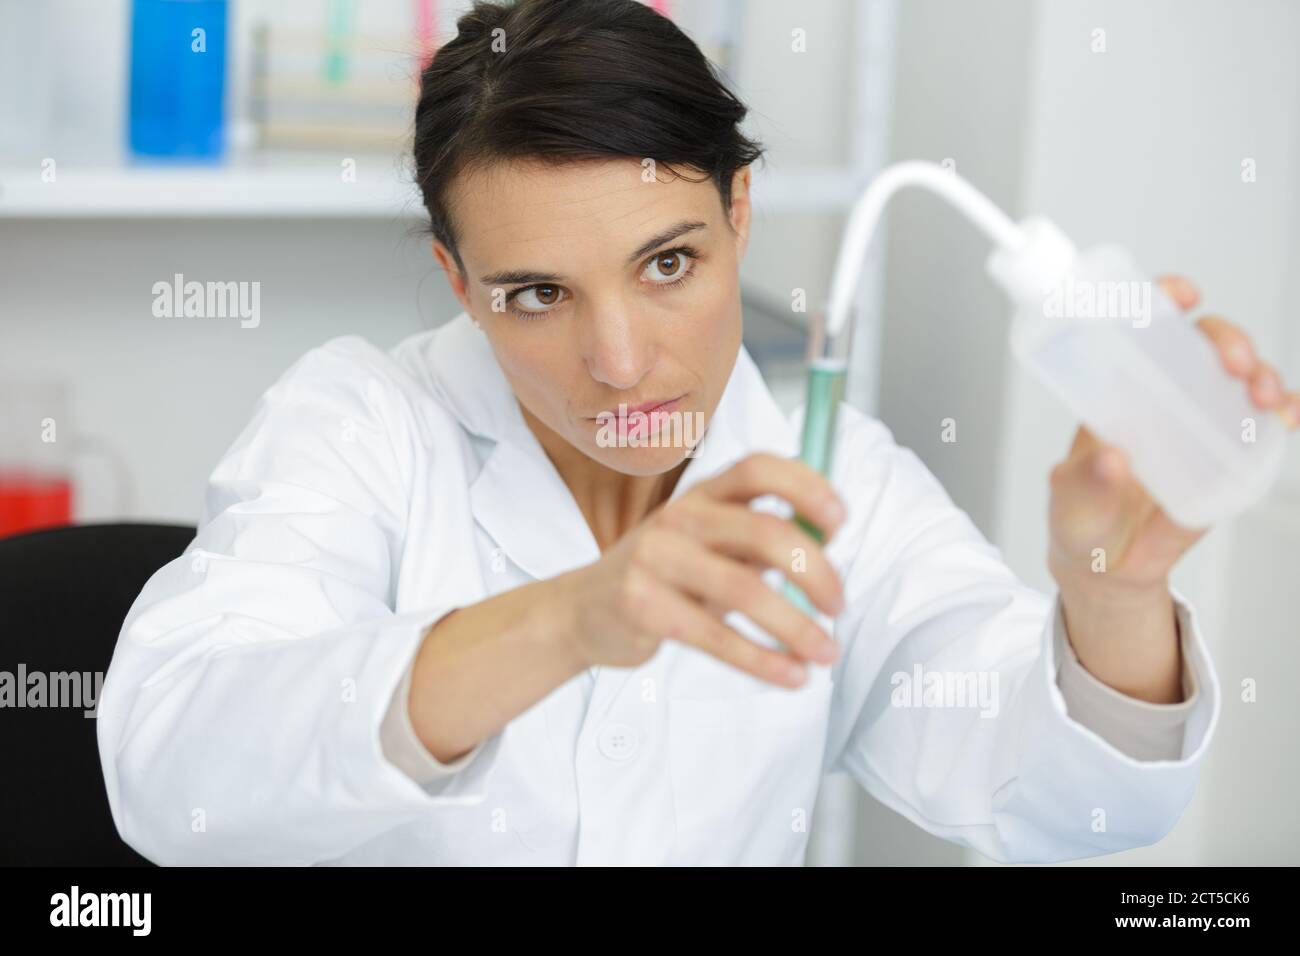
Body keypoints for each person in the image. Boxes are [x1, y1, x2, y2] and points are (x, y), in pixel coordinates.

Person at [98, 0, 1298, 866]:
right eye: (537, 293)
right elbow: (174, 772)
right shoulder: (361, 428)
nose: (619, 363)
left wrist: (1114, 591)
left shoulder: (843, 486)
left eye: (666, 263)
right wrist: (571, 616)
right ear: (458, 284)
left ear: (737, 212)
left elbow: (1073, 805)